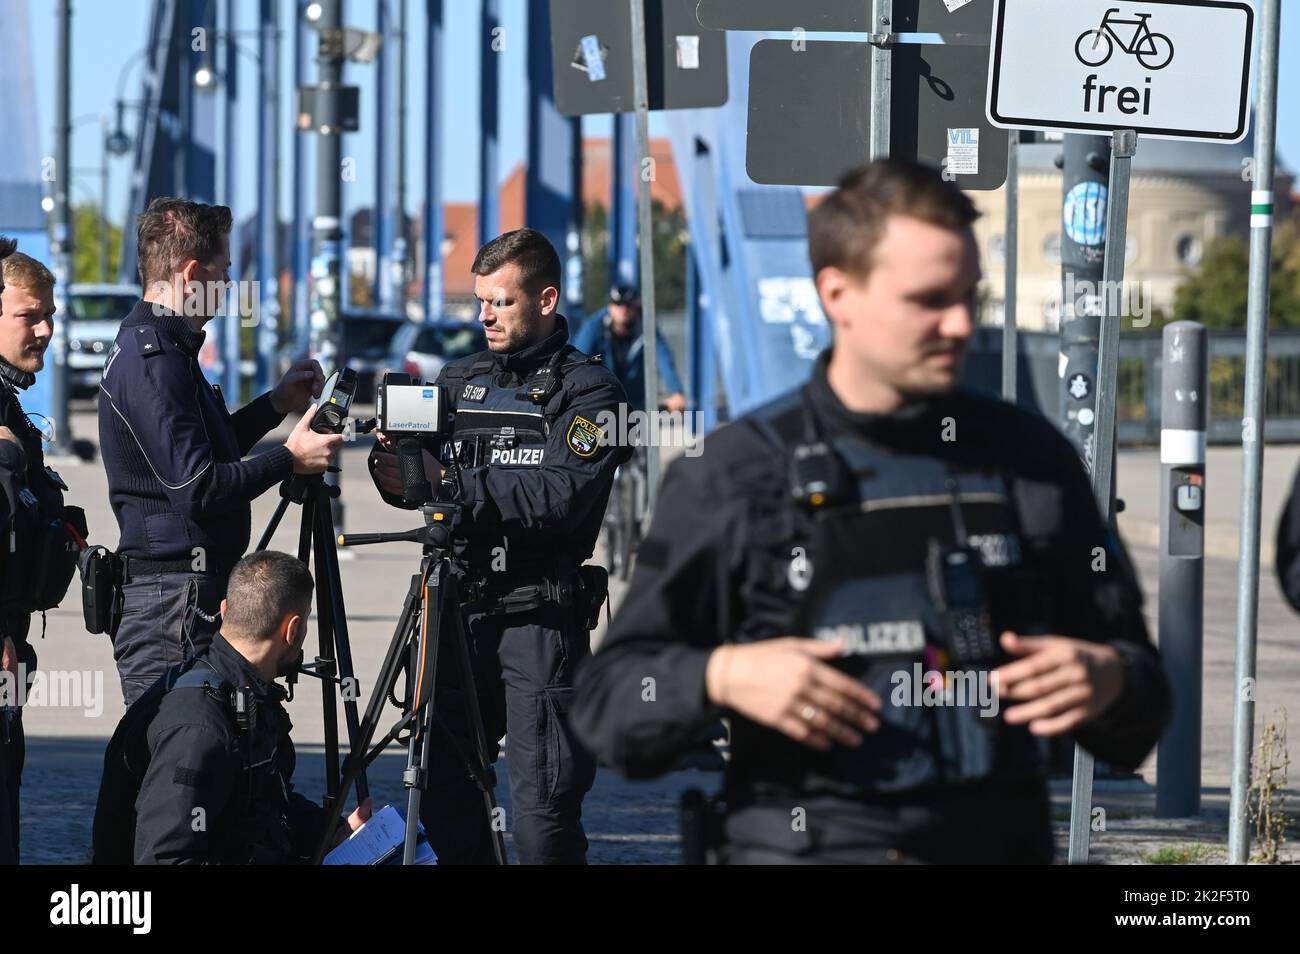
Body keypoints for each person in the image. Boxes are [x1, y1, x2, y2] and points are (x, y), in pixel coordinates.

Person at [571, 159, 1170, 864]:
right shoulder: (734, 474)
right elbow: (609, 708)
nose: (958, 325)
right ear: (838, 294)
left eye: (968, 297)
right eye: (927, 299)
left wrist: (1106, 680)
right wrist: (722, 677)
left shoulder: (1032, 462)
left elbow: (1141, 700)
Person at [367, 228, 627, 864]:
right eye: (479, 301)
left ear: (545, 299)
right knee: (449, 805)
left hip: (538, 621)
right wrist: (393, 459)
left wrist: (452, 480)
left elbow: (561, 495)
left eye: (500, 302)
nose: (483, 314)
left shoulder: (592, 393)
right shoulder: (459, 380)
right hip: (457, 613)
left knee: (543, 819)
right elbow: (410, 493)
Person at [98, 197, 342, 704]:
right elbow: (199, 487)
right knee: (175, 760)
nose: (230, 285)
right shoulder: (155, 362)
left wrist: (275, 405)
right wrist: (288, 459)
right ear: (191, 274)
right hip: (171, 605)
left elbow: (204, 452)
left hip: (180, 597)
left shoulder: (167, 351)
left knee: (201, 752)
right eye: (224, 271)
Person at [92, 550, 370, 864]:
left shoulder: (242, 689)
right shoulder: (199, 725)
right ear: (292, 630)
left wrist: (333, 832)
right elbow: (166, 858)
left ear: (225, 610)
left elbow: (264, 803)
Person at [571, 284, 686, 414]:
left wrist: (676, 391)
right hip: (602, 399)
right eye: (617, 304)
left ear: (635, 307)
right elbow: (577, 361)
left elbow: (663, 358)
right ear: (610, 306)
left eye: (628, 304)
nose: (623, 309)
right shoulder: (593, 328)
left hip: (635, 401)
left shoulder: (646, 327)